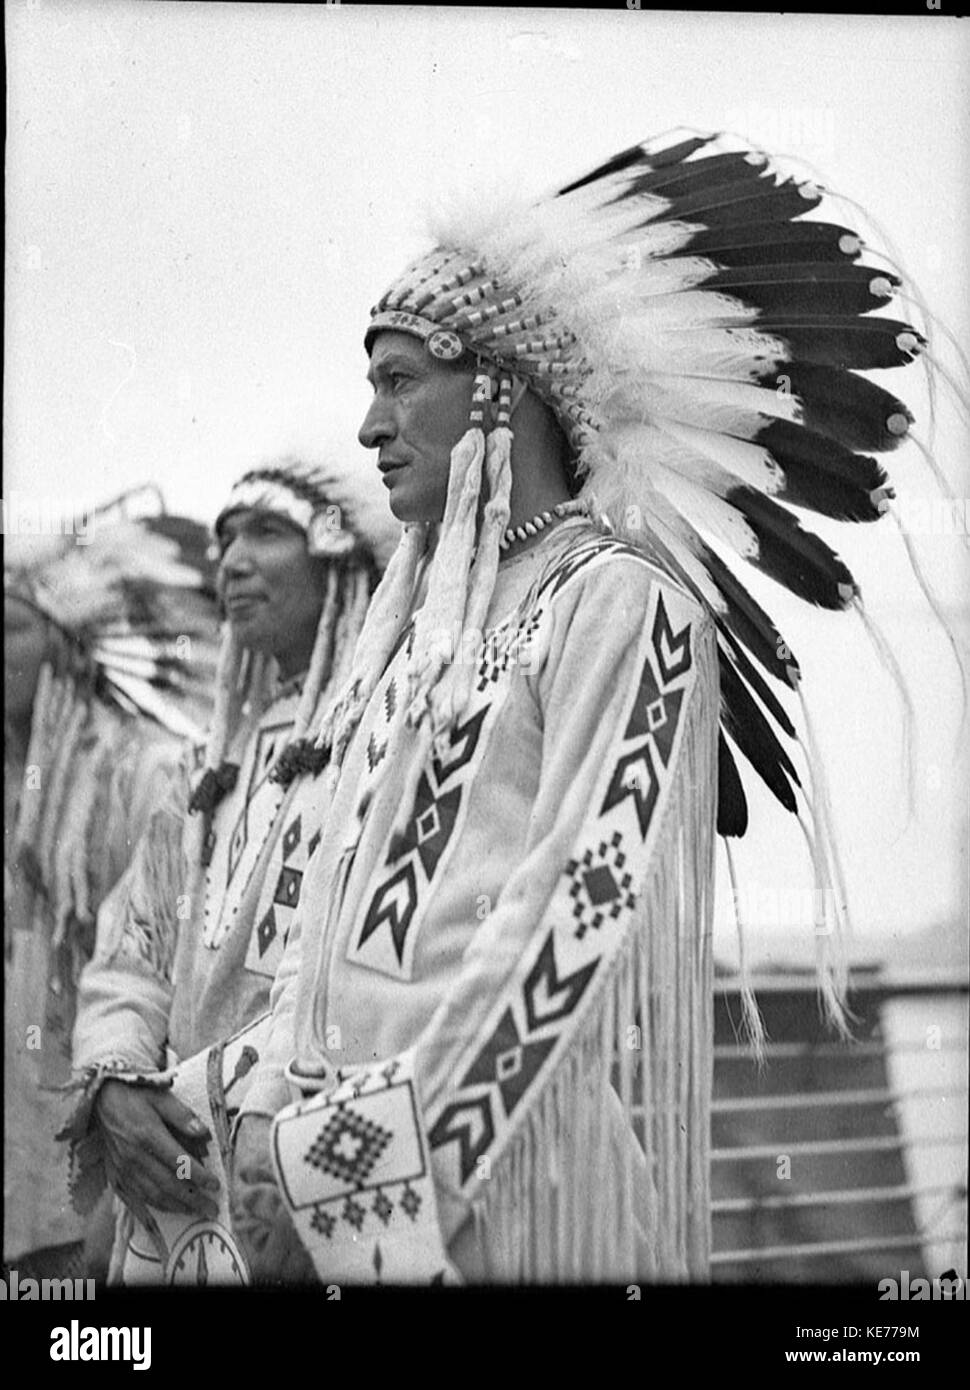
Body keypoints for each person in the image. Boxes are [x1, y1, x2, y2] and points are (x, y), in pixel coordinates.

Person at [230, 131, 931, 1284]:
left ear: (500, 389)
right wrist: (250, 1108)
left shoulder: (623, 603)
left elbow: (572, 913)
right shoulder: (412, 631)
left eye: (401, 379)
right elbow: (337, 936)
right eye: (371, 387)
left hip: (507, 1194)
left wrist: (376, 1179)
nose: (369, 427)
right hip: (340, 1175)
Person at [64, 458, 389, 1282]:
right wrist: (118, 1085)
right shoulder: (207, 767)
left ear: (343, 560)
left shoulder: (389, 733)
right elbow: (129, 957)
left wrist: (252, 1101)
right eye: (225, 537)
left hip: (313, 1152)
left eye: (267, 531)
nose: (233, 560)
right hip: (182, 1166)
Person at [4, 492, 219, 1279]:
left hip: (89, 1127)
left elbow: (154, 962)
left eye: (11, 626)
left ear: (67, 644)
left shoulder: (145, 772)